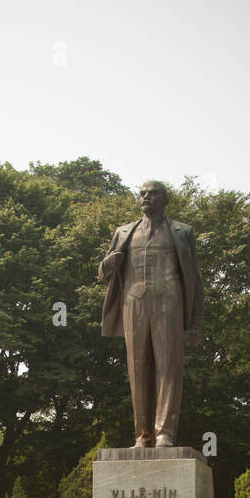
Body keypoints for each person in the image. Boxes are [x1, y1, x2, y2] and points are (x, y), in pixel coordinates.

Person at [98, 180, 204, 449]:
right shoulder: (124, 232)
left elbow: (195, 280)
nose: (146, 197)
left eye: (153, 193)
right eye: (142, 193)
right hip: (133, 304)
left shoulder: (181, 232)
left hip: (170, 302)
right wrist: (105, 266)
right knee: (137, 371)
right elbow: (103, 273)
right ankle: (143, 435)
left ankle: (164, 433)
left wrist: (194, 323)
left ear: (165, 199)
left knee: (169, 369)